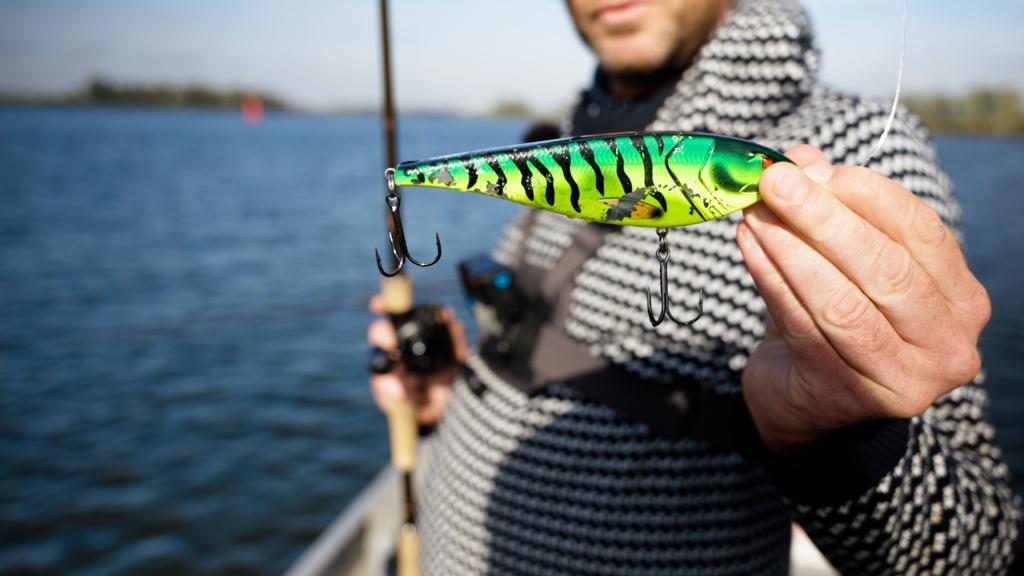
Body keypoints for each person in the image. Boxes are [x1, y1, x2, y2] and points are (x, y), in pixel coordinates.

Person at [368, 0, 1022, 573]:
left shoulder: (855, 147)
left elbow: (975, 551)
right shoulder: (561, 139)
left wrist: (837, 439)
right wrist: (451, 394)